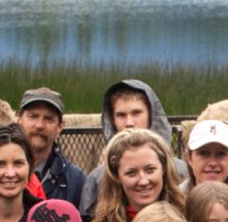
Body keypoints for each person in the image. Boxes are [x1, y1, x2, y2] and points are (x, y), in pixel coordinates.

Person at [86, 128, 184, 222]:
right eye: (131, 173)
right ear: (117, 176)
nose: (143, 181)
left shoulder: (186, 221)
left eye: (150, 170)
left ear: (163, 169)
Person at [76, 78, 182, 214]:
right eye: (121, 115)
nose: (129, 122)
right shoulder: (97, 178)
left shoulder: (181, 171)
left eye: (136, 113)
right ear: (112, 121)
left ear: (151, 115)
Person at [17, 87, 87, 209]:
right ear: (18, 120)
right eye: (33, 116)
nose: (39, 125)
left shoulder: (76, 180)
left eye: (49, 119)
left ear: (60, 126)